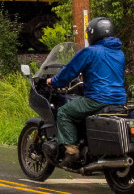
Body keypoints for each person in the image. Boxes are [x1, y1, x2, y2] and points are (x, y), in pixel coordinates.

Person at [46, 16, 127, 166]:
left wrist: (54, 81)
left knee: (64, 111)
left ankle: (71, 151)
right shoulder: (119, 53)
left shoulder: (90, 51)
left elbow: (70, 71)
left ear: (93, 34)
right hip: (120, 100)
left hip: (97, 99)